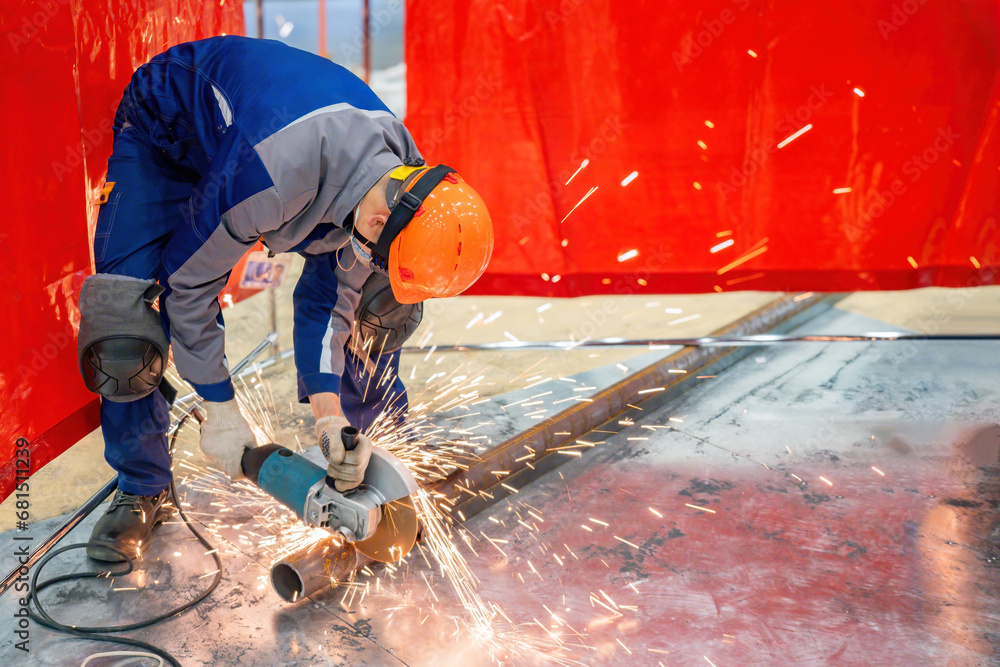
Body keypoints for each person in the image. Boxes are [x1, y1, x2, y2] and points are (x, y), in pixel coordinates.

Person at [76, 36, 494, 561]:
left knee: (378, 303)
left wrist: (328, 416)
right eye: (378, 248)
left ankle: (372, 456)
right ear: (379, 221)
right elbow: (189, 284)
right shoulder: (269, 180)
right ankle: (142, 487)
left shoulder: (404, 181)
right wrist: (220, 407)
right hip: (171, 136)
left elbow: (329, 305)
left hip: (274, 145)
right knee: (124, 334)